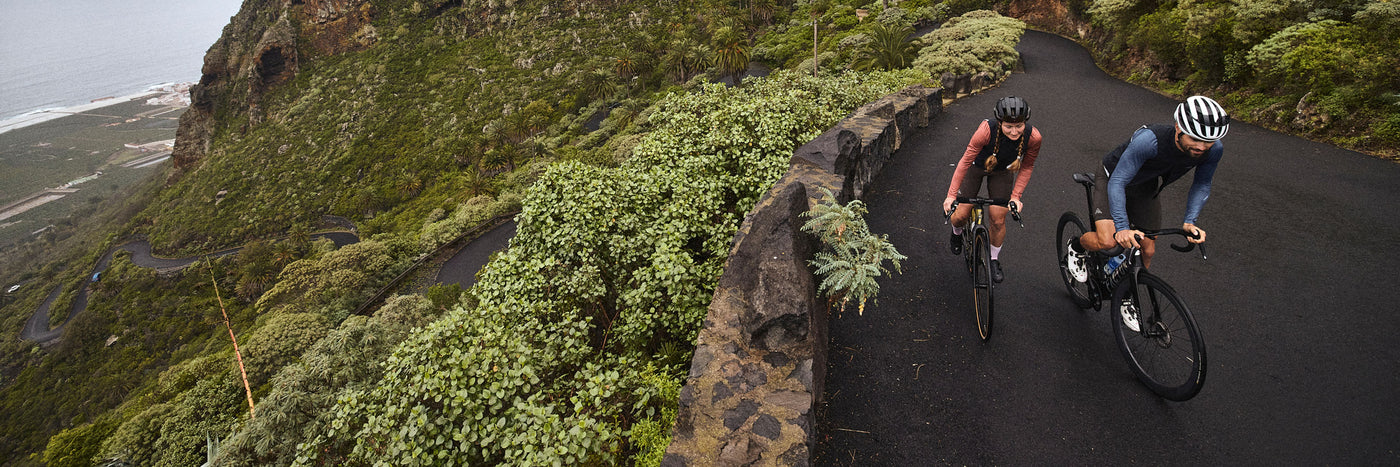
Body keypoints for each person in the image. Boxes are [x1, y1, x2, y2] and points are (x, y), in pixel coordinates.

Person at [1067, 95, 1228, 278]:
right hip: (1113, 177)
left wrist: (1190, 221)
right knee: (1108, 242)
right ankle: (1076, 247)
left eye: (1207, 141)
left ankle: (1126, 292)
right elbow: (1118, 182)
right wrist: (1122, 228)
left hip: (1144, 184)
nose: (1201, 147)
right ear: (1178, 127)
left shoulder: (1214, 149)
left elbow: (1202, 183)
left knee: (1148, 250)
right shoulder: (1149, 141)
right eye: (1194, 138)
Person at [944, 96, 1042, 282]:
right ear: (1000, 122)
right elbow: (964, 162)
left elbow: (1027, 167)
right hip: (976, 167)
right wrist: (950, 197)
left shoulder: (1034, 137)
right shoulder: (985, 131)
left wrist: (1016, 197)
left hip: (1002, 171)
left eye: (1019, 126)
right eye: (1008, 126)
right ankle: (956, 233)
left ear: (1025, 123)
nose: (1014, 132)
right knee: (961, 215)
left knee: (998, 219)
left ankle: (993, 259)